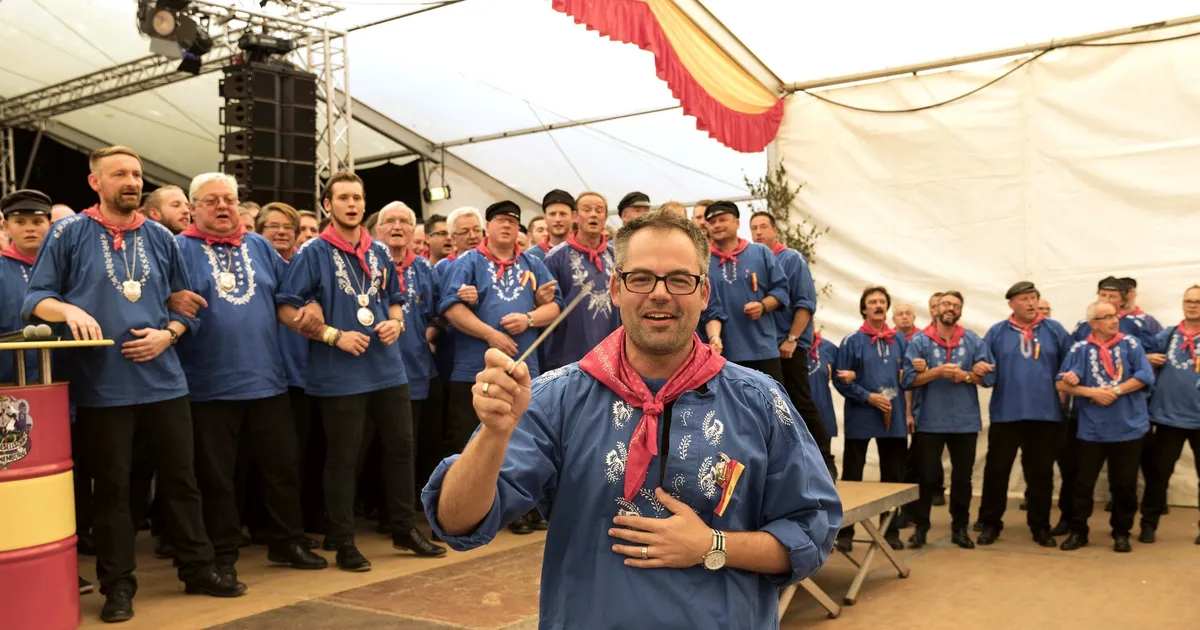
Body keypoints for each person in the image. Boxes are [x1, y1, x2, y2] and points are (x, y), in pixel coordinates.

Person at [423, 210, 841, 629]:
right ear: (617, 289)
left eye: (679, 279)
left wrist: (714, 545)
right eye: (640, 278)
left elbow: (811, 533)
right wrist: (494, 435)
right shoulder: (558, 398)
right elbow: (457, 522)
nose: (659, 294)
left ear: (703, 293)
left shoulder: (760, 400)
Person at [23, 146, 245, 623]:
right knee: (114, 492)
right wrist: (70, 310)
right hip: (103, 387)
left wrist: (169, 335)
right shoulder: (68, 233)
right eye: (120, 174)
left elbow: (185, 309)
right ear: (95, 183)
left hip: (165, 383)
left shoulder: (162, 238)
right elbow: (36, 298)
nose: (132, 181)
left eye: (138, 174)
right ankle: (118, 585)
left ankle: (198, 567)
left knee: (182, 481)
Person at [277, 171, 444, 570]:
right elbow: (285, 308)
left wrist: (396, 322)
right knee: (344, 458)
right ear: (327, 206)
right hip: (340, 373)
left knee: (402, 450)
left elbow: (395, 299)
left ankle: (404, 527)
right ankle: (343, 539)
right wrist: (334, 335)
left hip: (388, 369)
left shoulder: (380, 252)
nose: (352, 204)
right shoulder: (313, 252)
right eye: (343, 198)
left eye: (357, 197)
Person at [175, 173, 327, 576]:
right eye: (212, 201)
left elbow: (291, 292)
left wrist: (310, 307)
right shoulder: (178, 249)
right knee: (217, 477)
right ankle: (222, 555)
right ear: (192, 208)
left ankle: (286, 541)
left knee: (282, 467)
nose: (223, 207)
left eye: (229, 199)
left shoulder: (259, 245)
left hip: (266, 380)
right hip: (206, 386)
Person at [975, 282, 1071, 548]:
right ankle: (990, 523)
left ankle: (1040, 526)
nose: (1030, 303)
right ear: (1011, 304)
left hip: (1046, 415)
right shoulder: (997, 332)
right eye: (1024, 299)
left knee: (1041, 473)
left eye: (1033, 298)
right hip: (1007, 414)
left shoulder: (1054, 330)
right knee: (997, 471)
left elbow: (1071, 363)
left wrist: (1068, 382)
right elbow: (985, 372)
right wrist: (980, 368)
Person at [1056, 301, 1154, 553]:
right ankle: (1079, 531)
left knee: (1124, 484)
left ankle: (1121, 532)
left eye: (1115, 315)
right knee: (1082, 483)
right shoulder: (1080, 348)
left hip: (1128, 427)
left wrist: (1117, 390)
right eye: (1107, 317)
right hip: (1092, 430)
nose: (1114, 320)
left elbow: (1145, 376)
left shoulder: (1130, 344)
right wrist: (1088, 390)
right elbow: (1061, 384)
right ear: (1094, 324)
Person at [903, 291, 995, 549]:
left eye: (955, 305)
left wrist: (967, 376)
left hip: (965, 422)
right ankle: (920, 528)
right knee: (926, 476)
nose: (950, 308)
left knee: (962, 478)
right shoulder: (920, 341)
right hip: (930, 421)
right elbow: (907, 380)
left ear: (960, 311)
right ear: (936, 309)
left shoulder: (973, 339)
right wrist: (935, 372)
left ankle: (960, 528)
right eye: (946, 304)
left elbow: (989, 378)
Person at [833, 287, 908, 551]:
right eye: (872, 302)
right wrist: (867, 396)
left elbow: (907, 377)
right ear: (864, 308)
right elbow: (839, 381)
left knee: (894, 475)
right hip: (861, 415)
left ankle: (891, 530)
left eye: (881, 301)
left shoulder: (899, 340)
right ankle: (846, 532)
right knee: (853, 473)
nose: (877, 305)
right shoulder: (852, 341)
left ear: (887, 307)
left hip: (894, 417)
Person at [1138, 286, 1200, 545]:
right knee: (1158, 475)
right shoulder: (1169, 334)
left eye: (1198, 302)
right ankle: (1148, 524)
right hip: (1167, 418)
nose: (1193, 305)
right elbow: (1140, 357)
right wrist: (1149, 358)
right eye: (1188, 301)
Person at [704, 201, 789, 383]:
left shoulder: (761, 252)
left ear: (737, 223)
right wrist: (714, 338)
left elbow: (782, 290)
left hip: (763, 349)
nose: (717, 225)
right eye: (712, 222)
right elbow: (710, 309)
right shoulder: (704, 262)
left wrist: (763, 305)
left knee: (772, 406)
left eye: (722, 219)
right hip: (724, 354)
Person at [542, 192, 619, 370]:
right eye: (587, 209)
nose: (593, 214)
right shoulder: (556, 258)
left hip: (611, 356)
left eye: (599, 210)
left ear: (606, 218)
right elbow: (548, 305)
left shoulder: (617, 257)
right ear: (576, 216)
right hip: (568, 358)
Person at [529, 190, 573, 261]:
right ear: (545, 218)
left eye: (563, 214)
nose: (557, 219)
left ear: (573, 217)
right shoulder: (531, 256)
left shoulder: (585, 253)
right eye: (552, 214)